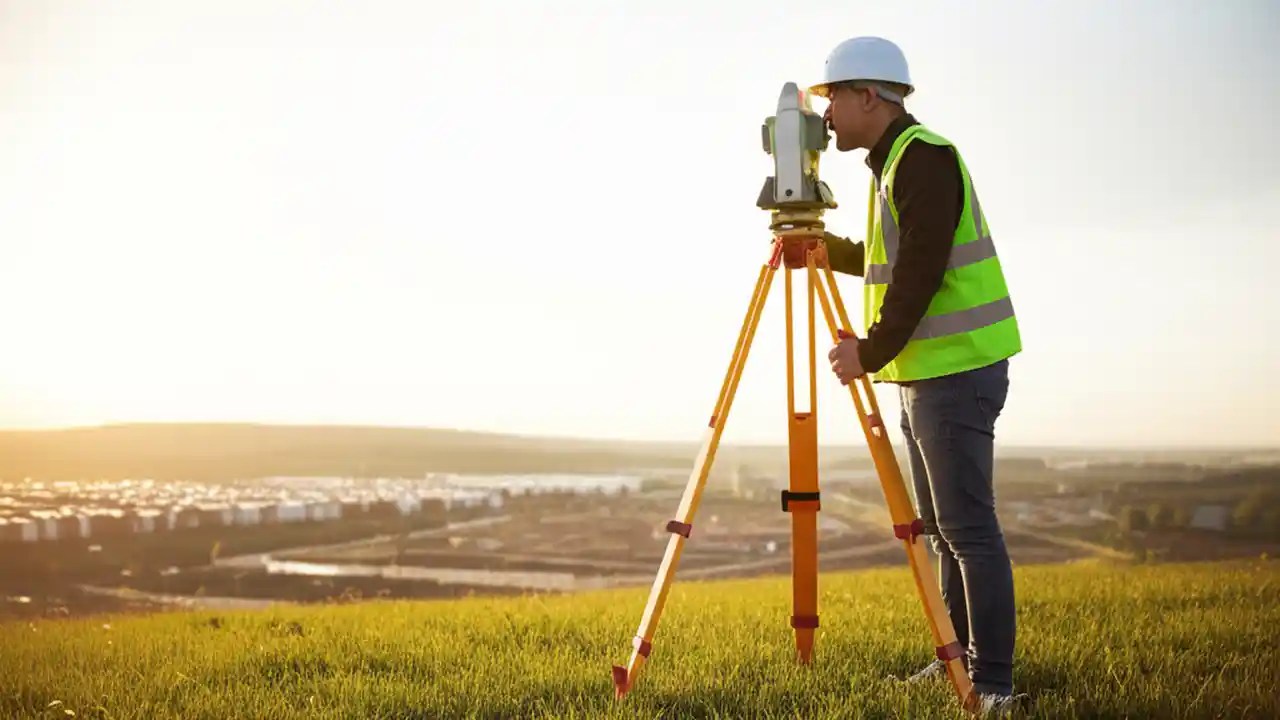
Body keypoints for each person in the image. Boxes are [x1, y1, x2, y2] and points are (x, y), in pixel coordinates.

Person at [799, 36, 1028, 715]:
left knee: (968, 532)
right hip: (928, 373)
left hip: (956, 371)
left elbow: (920, 274)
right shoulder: (893, 164)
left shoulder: (923, 159)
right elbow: (890, 258)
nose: (826, 114)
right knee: (942, 530)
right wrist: (825, 250)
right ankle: (958, 661)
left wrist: (868, 352)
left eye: (833, 97)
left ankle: (994, 685)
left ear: (869, 96)